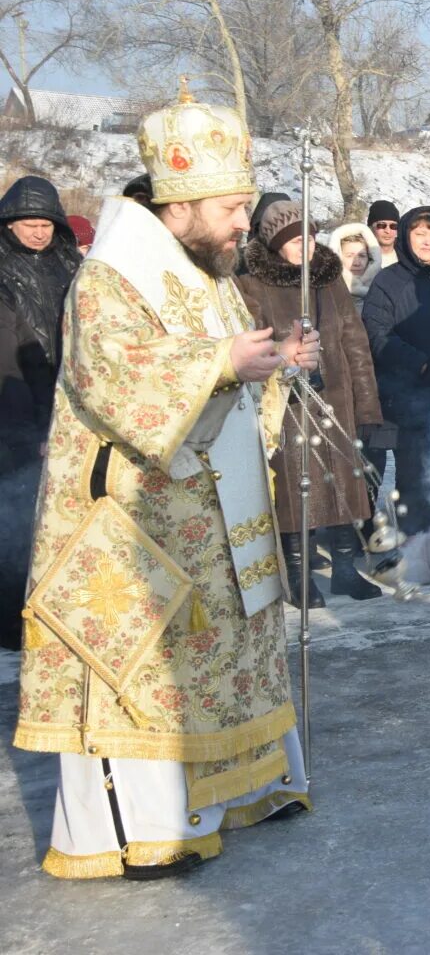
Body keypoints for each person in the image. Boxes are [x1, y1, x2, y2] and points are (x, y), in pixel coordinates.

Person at [13, 90, 317, 878]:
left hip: (211, 510)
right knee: (143, 674)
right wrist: (222, 363)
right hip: (133, 521)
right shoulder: (113, 276)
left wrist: (271, 361)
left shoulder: (203, 270)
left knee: (220, 659)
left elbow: (228, 372)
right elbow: (111, 375)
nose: (243, 223)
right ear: (179, 203)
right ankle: (141, 831)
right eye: (231, 207)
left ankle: (235, 794)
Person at [237, 200, 383, 605]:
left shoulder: (327, 277)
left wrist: (367, 405)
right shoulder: (251, 282)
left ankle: (345, 569)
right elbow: (253, 338)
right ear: (274, 242)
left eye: (308, 236)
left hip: (335, 396)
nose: (303, 245)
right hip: (285, 401)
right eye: (292, 239)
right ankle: (299, 575)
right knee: (293, 488)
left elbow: (354, 341)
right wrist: (285, 360)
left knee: (345, 486)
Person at [362, 204, 430, 573]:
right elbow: (376, 334)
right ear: (406, 237)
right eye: (420, 233)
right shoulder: (389, 281)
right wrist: (419, 361)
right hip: (408, 393)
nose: (427, 241)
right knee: (414, 475)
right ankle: (413, 554)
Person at [0, 175, 81, 651]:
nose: (37, 232)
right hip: (18, 406)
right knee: (16, 516)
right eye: (28, 223)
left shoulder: (70, 265)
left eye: (44, 223)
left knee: (62, 517)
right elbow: (5, 358)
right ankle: (12, 617)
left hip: (67, 399)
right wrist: (28, 430)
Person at [329, 221, 379, 303]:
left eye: (362, 256)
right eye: (349, 256)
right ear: (339, 258)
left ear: (370, 257)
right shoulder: (327, 291)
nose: (357, 263)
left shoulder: (384, 286)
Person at [367, 199, 400, 267]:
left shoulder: (407, 258)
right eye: (381, 225)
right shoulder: (359, 259)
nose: (387, 231)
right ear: (371, 227)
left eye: (393, 226)